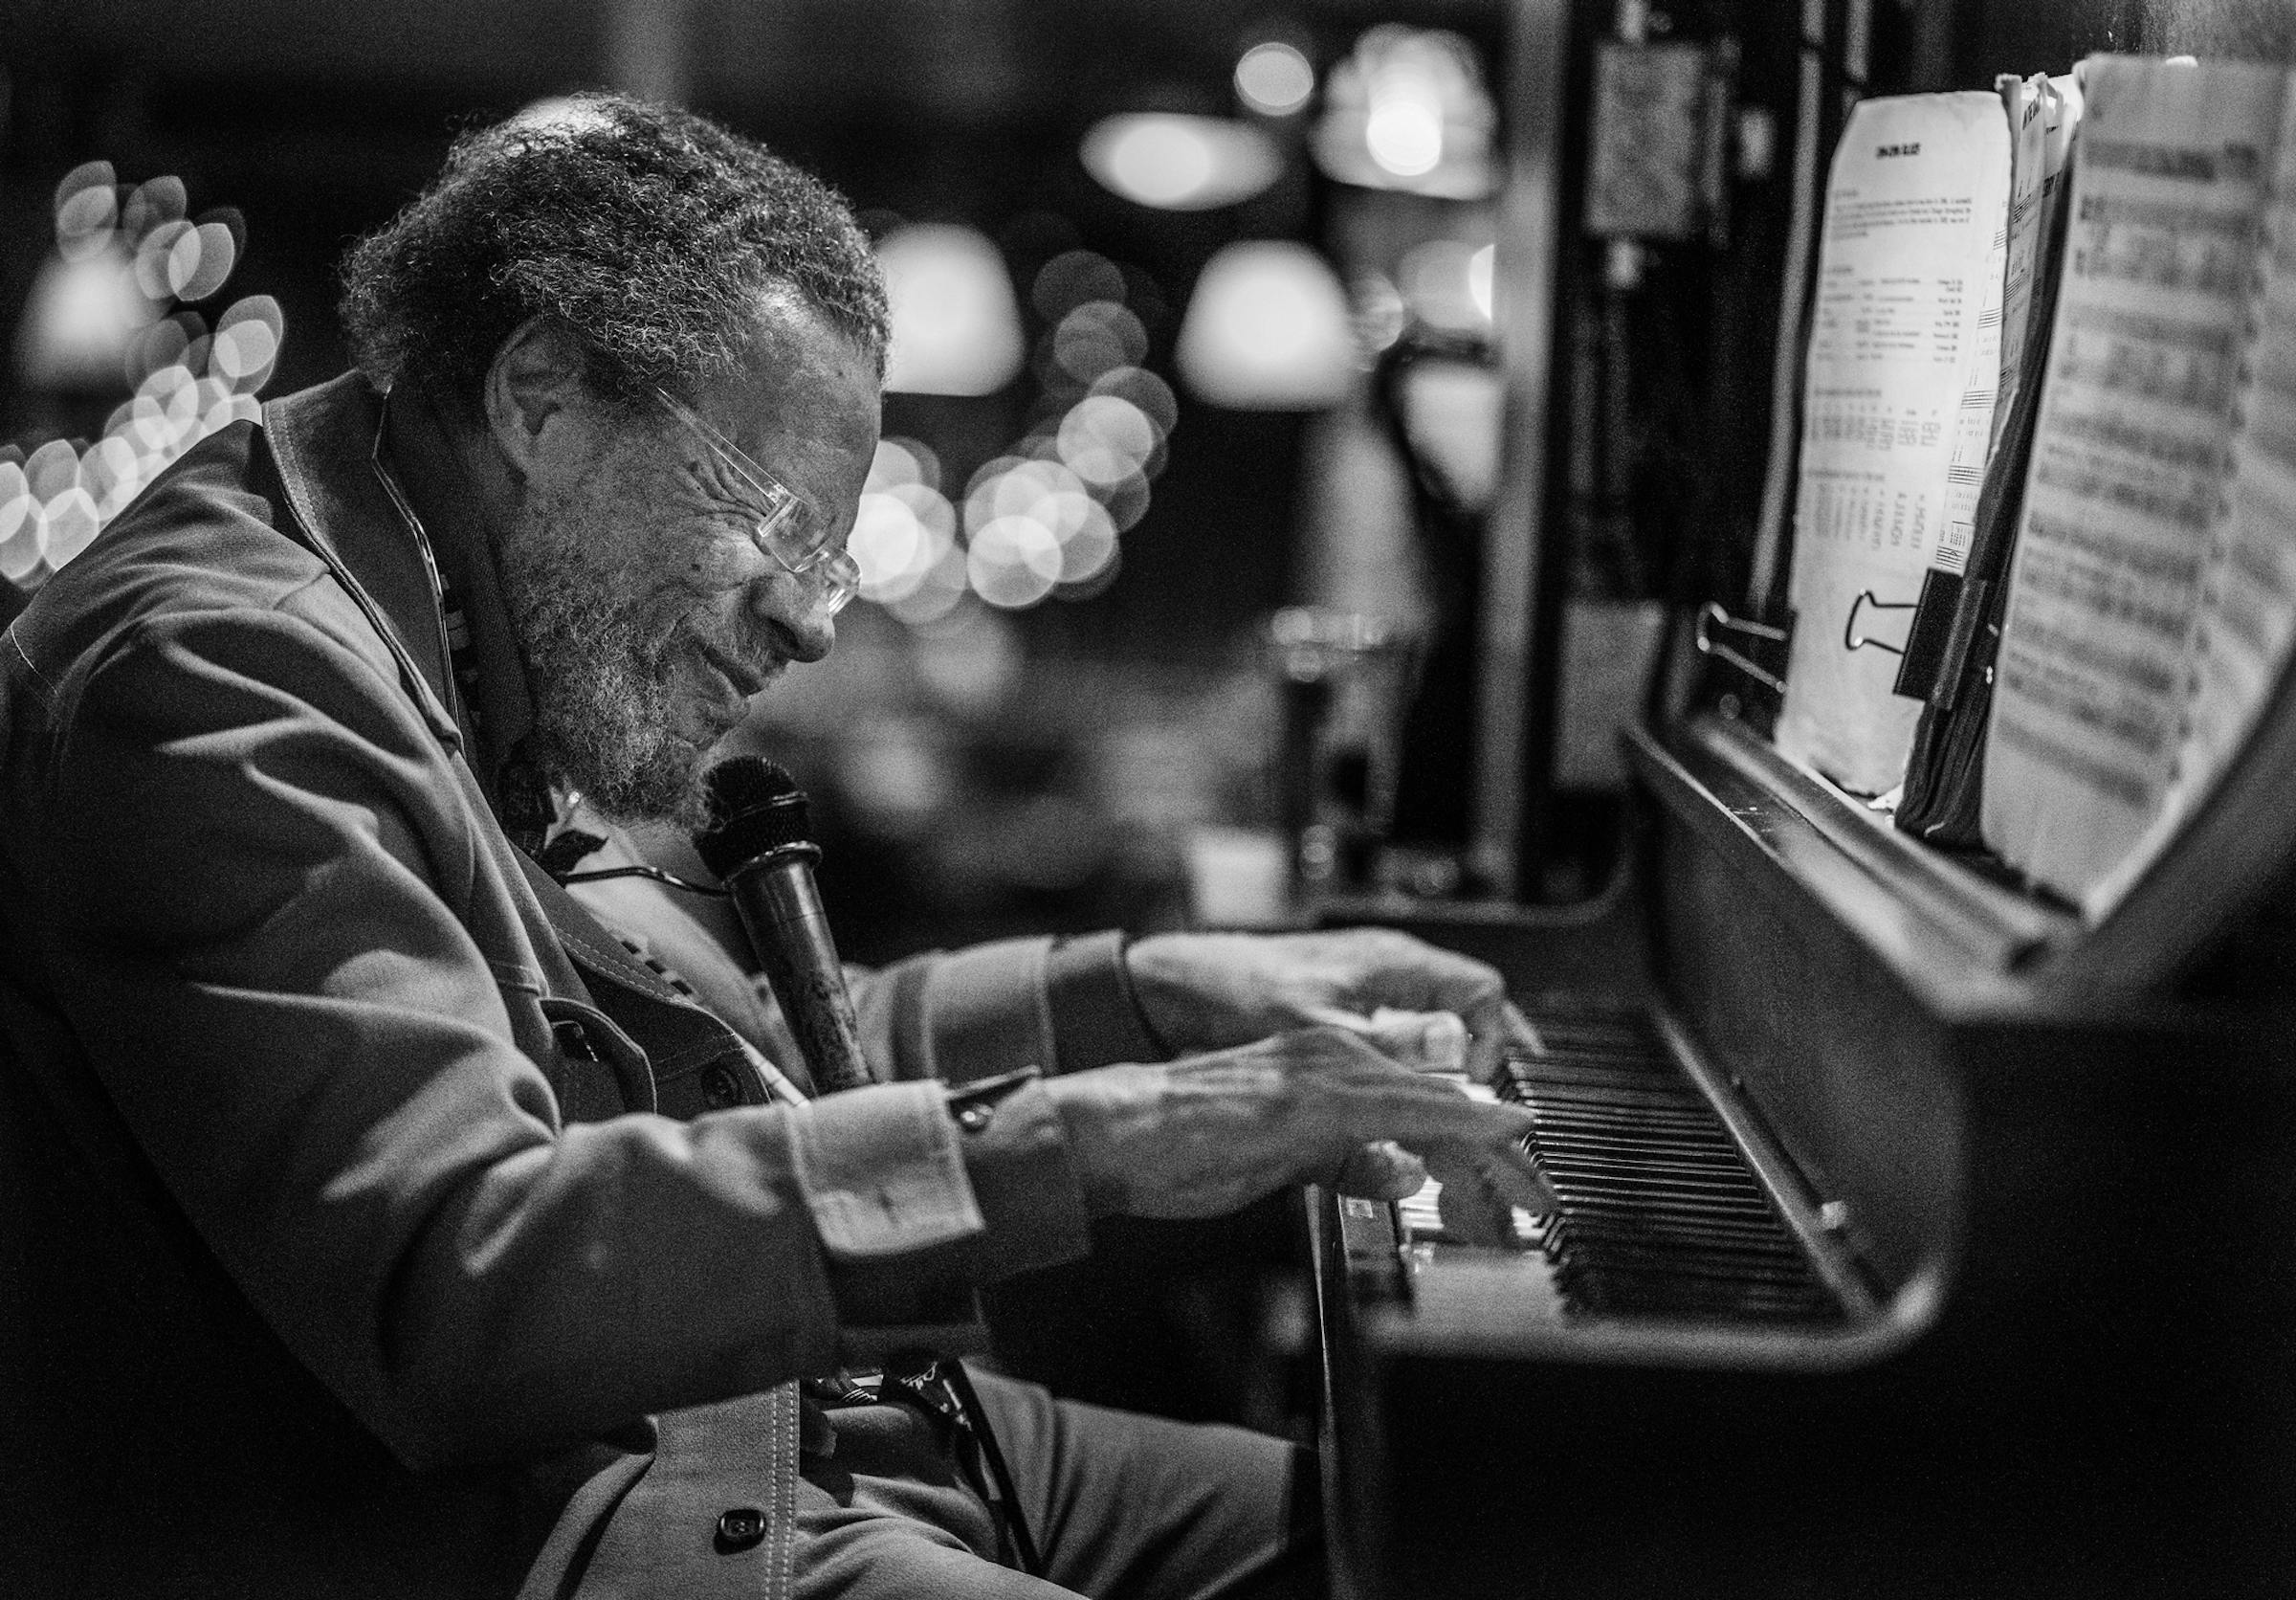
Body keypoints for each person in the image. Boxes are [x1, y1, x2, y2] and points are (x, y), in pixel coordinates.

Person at [0, 95, 1545, 1599]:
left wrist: (1157, 998)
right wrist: (1112, 1135)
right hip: (550, 1520)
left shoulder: (448, 608)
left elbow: (744, 1062)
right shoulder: (219, 675)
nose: (811, 623)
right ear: (542, 397)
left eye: (831, 554)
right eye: (774, 520)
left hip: (738, 1433)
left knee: (1467, 1535)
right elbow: (467, 1280)